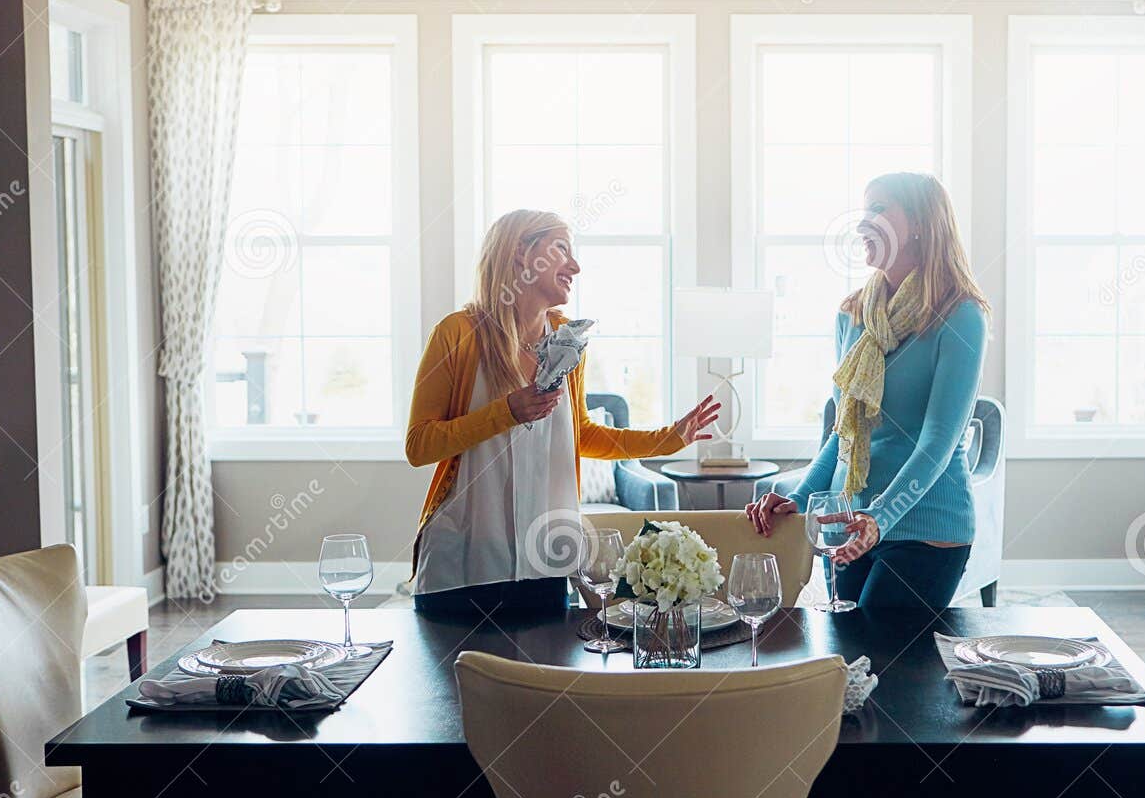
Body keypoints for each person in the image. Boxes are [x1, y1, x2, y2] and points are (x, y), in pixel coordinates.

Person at [406, 209, 720, 615]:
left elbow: (580, 433)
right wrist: (506, 412)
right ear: (521, 252)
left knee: (551, 658)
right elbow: (420, 446)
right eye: (561, 249)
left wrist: (668, 439)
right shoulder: (457, 335)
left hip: (545, 560)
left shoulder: (566, 341)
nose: (575, 266)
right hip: (464, 564)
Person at [746, 172, 988, 613]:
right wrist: (798, 499)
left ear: (920, 223)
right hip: (846, 527)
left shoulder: (961, 315)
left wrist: (880, 517)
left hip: (925, 528)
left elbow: (939, 441)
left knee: (882, 640)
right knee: (846, 647)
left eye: (878, 209)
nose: (862, 224)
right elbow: (845, 434)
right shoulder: (852, 315)